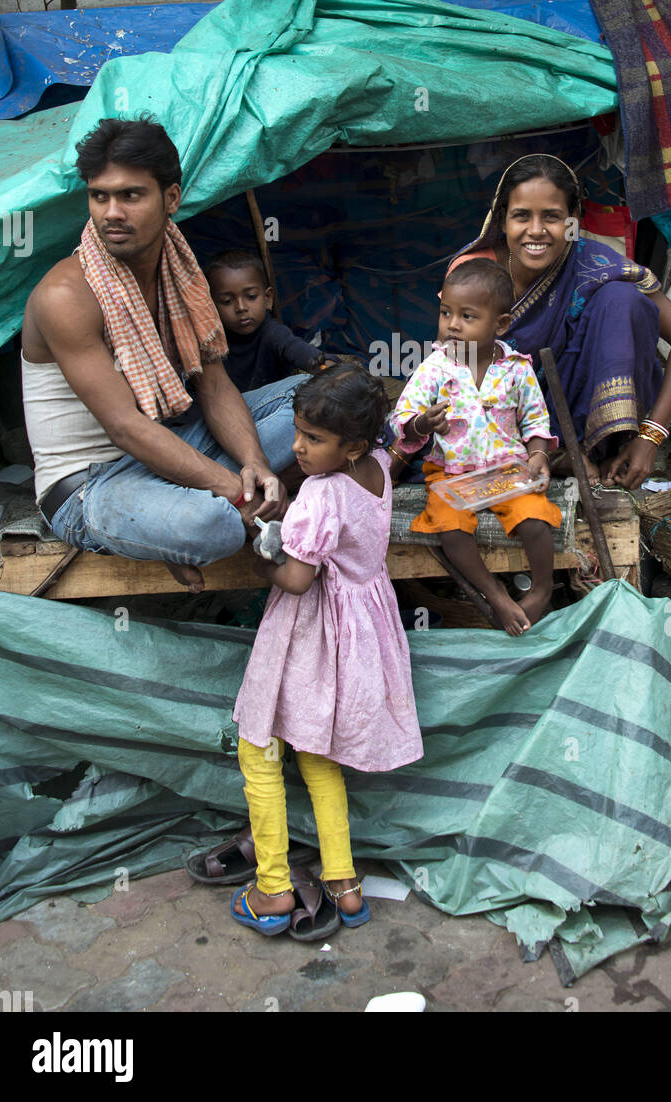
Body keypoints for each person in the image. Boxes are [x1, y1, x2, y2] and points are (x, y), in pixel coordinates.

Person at [21, 116, 302, 592]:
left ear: (170, 198)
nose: (111, 211)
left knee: (320, 397)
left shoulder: (179, 270)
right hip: (92, 486)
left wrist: (252, 462)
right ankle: (175, 525)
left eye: (131, 195)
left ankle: (172, 522)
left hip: (173, 445)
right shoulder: (66, 295)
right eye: (100, 195)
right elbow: (125, 427)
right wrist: (236, 491)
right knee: (209, 525)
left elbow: (213, 384)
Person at [229, 362, 423, 938]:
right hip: (363, 628)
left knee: (258, 746)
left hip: (308, 634)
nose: (297, 448)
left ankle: (271, 890)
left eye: (314, 439)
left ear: (354, 444)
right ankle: (345, 883)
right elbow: (401, 446)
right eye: (297, 432)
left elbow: (296, 580)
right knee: (317, 755)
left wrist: (254, 546)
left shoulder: (320, 493)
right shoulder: (381, 470)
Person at [449, 153, 671, 489]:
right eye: (522, 216)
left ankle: (610, 447)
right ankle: (555, 454)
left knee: (622, 299)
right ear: (501, 219)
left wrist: (650, 436)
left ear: (573, 219)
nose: (536, 231)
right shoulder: (472, 276)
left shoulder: (594, 263)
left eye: (552, 217)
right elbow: (454, 370)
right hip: (499, 428)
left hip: (585, 428)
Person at [389, 258, 562, 636]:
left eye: (467, 316)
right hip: (452, 473)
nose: (452, 324)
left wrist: (537, 456)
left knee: (535, 520)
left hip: (507, 472)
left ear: (500, 324)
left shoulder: (517, 368)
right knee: (451, 529)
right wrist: (422, 422)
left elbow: (536, 420)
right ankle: (494, 593)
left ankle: (543, 587)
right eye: (445, 312)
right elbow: (402, 417)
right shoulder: (435, 368)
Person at [205, 248, 329, 393]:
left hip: (272, 405)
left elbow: (302, 352)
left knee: (306, 384)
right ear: (211, 306)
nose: (241, 307)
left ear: (268, 299)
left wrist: (328, 368)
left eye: (251, 296)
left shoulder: (272, 333)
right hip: (229, 409)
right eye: (227, 301)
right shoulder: (209, 341)